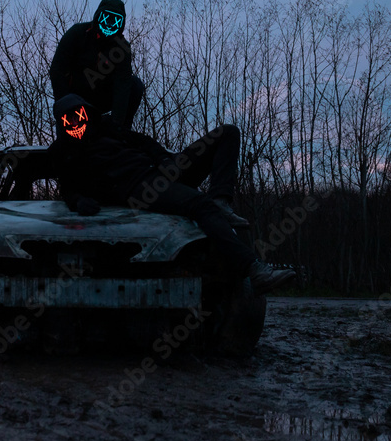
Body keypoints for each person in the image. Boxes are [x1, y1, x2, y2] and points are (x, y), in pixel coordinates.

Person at [49, 94, 295, 294]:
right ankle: (255, 270)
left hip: (161, 168)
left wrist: (165, 159)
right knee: (200, 205)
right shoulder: (63, 151)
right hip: (141, 187)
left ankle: (221, 200)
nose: (75, 122)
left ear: (86, 113)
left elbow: (145, 142)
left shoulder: (107, 127)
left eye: (78, 115)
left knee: (227, 132)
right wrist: (79, 200)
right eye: (67, 119)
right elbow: (67, 188)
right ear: (61, 123)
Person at [49, 0, 145, 128]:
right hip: (74, 97)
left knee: (135, 85)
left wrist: (117, 124)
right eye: (106, 18)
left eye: (116, 20)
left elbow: (122, 85)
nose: (110, 24)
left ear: (121, 23)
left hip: (101, 97)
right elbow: (57, 70)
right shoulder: (77, 33)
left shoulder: (122, 48)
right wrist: (65, 107)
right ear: (98, 16)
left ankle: (121, 132)